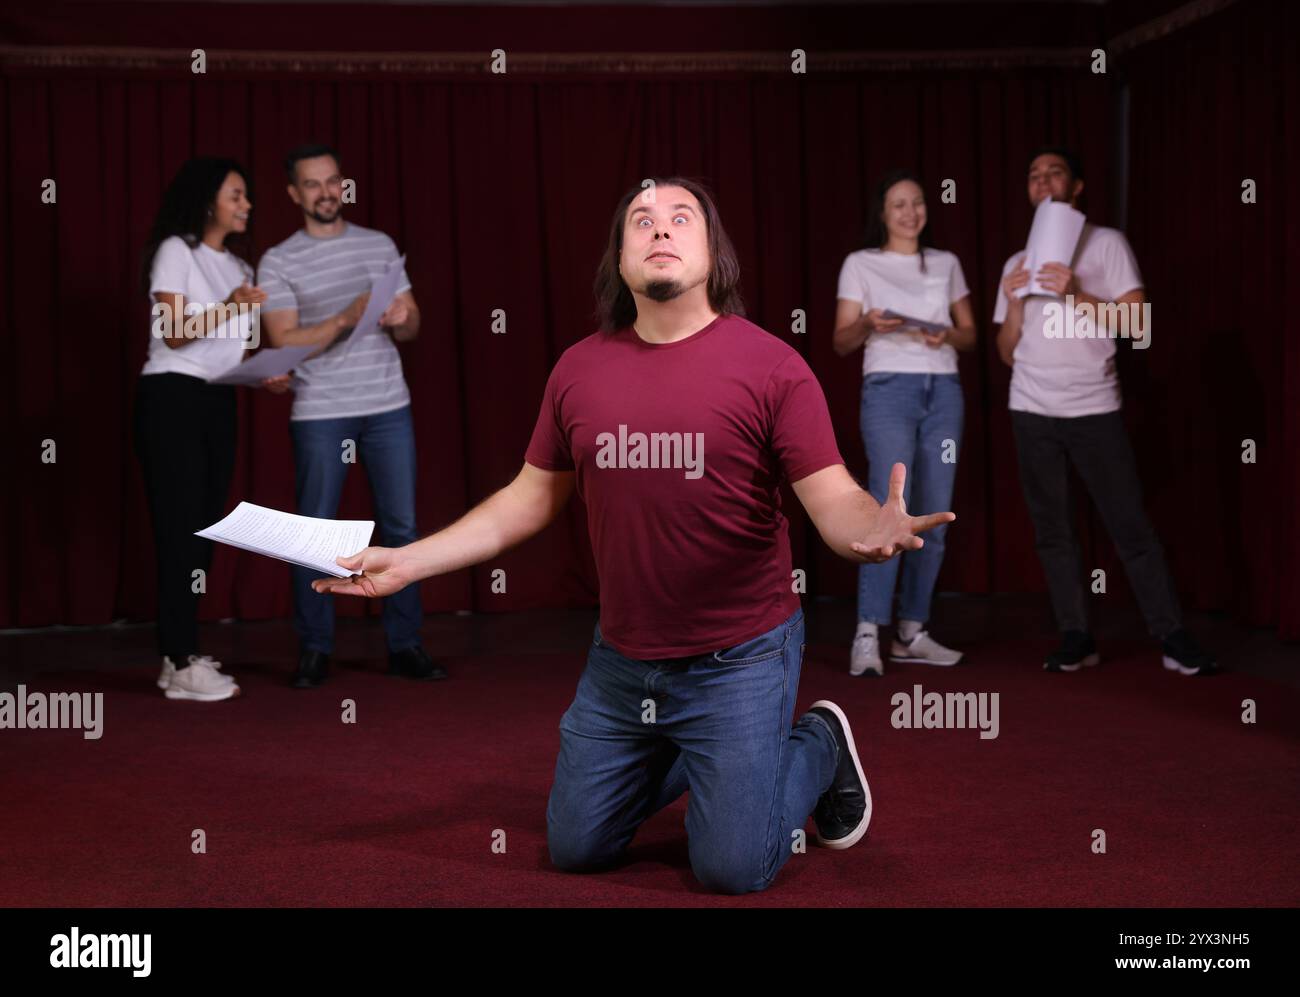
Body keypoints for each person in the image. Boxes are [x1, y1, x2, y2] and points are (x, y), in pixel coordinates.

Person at [312, 177, 955, 894]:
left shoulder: (772, 367)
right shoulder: (579, 370)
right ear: (620, 261)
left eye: (681, 218)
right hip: (623, 663)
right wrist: (407, 561)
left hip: (737, 658)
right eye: (641, 222)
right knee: (577, 846)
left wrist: (875, 525)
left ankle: (818, 741)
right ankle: (707, 753)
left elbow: (834, 498)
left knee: (731, 867)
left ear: (714, 253)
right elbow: (525, 500)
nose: (660, 230)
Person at [993, 146, 1217, 675]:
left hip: (1094, 407)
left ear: (1077, 187)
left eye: (1055, 172)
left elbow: (1138, 326)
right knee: (1053, 529)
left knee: (1129, 524)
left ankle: (1172, 635)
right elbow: (1006, 352)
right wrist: (1019, 301)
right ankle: (1076, 635)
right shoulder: (1015, 263)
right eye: (1033, 174)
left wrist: (1076, 293)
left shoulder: (1107, 244)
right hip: (1031, 407)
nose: (1043, 181)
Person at [257, 143, 444, 688]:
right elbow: (284, 343)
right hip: (321, 411)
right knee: (315, 533)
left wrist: (401, 314)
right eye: (312, 185)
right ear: (294, 194)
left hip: (388, 405)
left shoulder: (378, 244)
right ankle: (314, 649)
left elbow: (411, 327)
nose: (325, 192)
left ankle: (406, 645)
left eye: (333, 181)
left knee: (403, 529)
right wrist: (349, 314)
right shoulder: (279, 259)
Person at [135, 157, 290, 702]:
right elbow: (174, 334)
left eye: (247, 196)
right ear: (208, 201)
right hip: (172, 395)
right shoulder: (179, 251)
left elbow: (230, 351)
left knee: (204, 527)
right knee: (179, 527)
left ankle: (181, 656)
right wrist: (229, 308)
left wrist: (261, 373)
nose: (247, 205)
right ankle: (178, 658)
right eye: (236, 195)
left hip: (217, 400)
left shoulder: (241, 271)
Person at [833, 169, 977, 677]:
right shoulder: (861, 263)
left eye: (917, 203)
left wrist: (947, 337)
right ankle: (869, 631)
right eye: (899, 204)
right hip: (888, 389)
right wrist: (870, 322)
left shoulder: (946, 263)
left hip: (943, 392)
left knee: (936, 514)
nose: (910, 212)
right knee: (887, 508)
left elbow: (970, 335)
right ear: (883, 213)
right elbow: (842, 341)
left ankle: (912, 632)